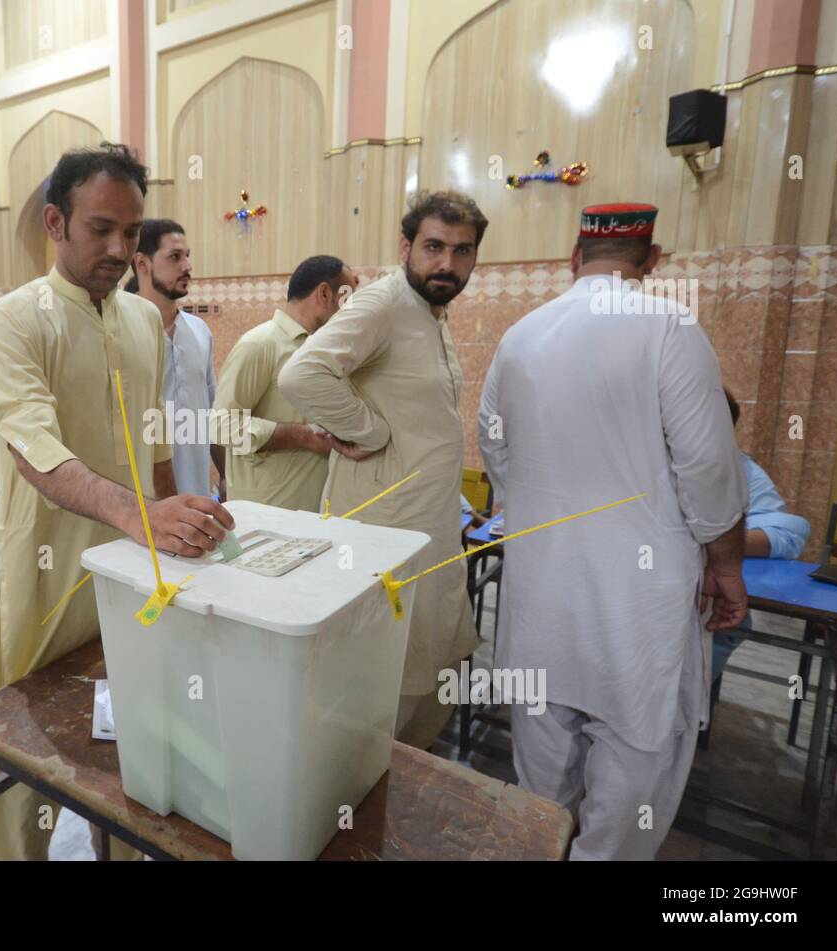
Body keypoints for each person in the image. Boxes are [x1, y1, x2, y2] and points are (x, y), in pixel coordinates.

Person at [0, 143, 234, 860]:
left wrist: (176, 520)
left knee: (128, 736)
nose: (122, 249)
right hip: (44, 569)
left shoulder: (143, 321)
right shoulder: (14, 320)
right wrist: (140, 515)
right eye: (101, 229)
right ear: (56, 222)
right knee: (23, 748)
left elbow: (151, 446)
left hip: (128, 569)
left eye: (132, 231)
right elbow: (35, 451)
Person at [477, 202, 748, 860]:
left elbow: (494, 449)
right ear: (651, 261)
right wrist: (727, 564)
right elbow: (709, 469)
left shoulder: (520, 337)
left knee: (541, 773)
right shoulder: (670, 329)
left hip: (541, 596)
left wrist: (540, 521)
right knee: (635, 763)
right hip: (637, 610)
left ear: (575, 259)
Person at [279, 190, 485, 749]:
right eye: (434, 247)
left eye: (462, 251)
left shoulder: (431, 314)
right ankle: (347, 811)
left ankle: (392, 799)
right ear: (406, 247)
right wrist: (367, 431)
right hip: (384, 530)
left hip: (430, 525)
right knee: (379, 693)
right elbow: (302, 375)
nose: (447, 263)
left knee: (432, 674)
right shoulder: (385, 303)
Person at [212, 255, 357, 511]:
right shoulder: (260, 344)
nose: (352, 309)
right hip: (267, 515)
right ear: (324, 293)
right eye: (348, 298)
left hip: (318, 512)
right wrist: (303, 437)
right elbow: (221, 426)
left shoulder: (328, 349)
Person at [711, 388, 810, 678]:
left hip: (704, 602)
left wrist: (711, 543)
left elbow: (788, 534)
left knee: (729, 622)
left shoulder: (740, 468)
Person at [126, 219, 225, 498]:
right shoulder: (119, 331)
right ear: (142, 264)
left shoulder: (199, 331)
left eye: (187, 256)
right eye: (175, 257)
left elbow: (211, 412)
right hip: (143, 503)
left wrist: (227, 475)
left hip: (198, 494)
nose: (187, 266)